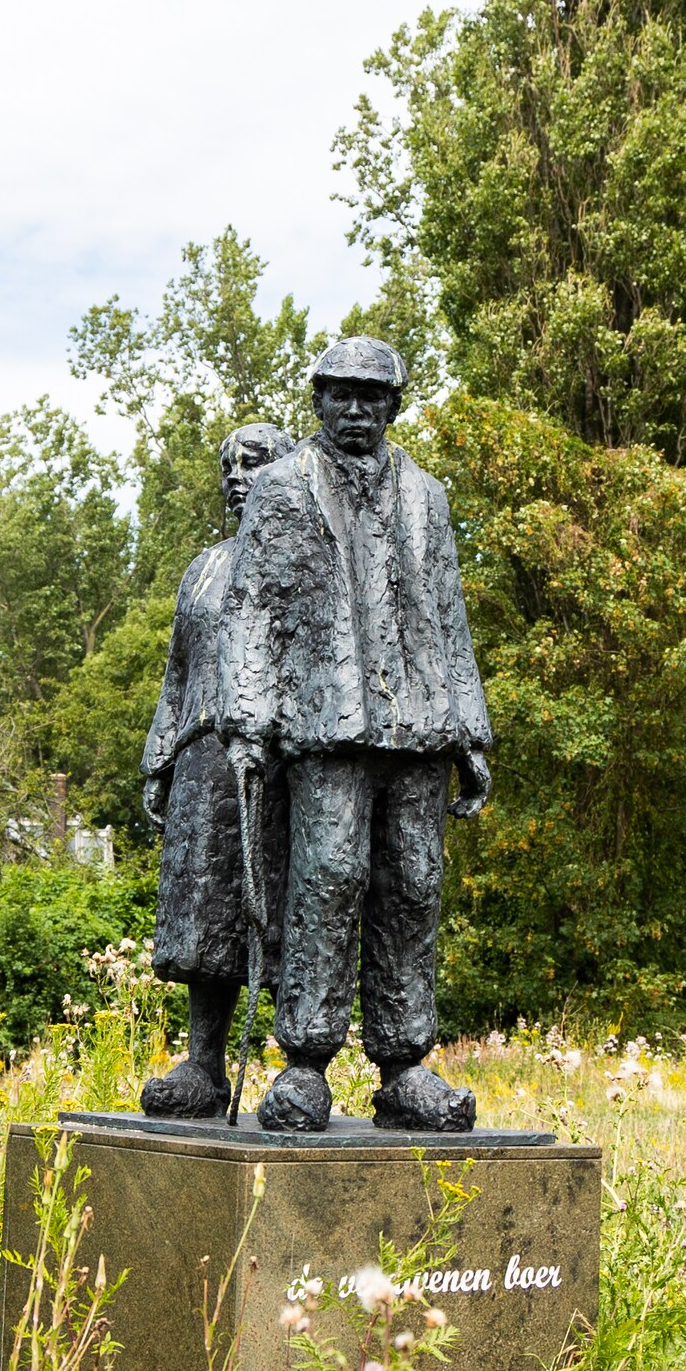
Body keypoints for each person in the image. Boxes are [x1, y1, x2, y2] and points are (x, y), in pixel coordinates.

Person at [216, 336, 492, 1133]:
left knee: (412, 889)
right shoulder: (278, 488)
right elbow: (252, 611)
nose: (356, 409)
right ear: (318, 399)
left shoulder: (427, 496)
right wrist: (246, 718)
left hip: (419, 726)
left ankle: (405, 1066)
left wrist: (470, 734)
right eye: (341, 394)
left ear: (394, 404)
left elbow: (449, 616)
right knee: (326, 881)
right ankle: (305, 1064)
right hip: (324, 723)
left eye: (373, 397)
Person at [138, 422, 295, 1117]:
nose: (236, 476)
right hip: (203, 756)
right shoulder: (204, 565)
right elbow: (177, 671)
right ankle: (204, 1065)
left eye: (253, 463)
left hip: (282, 759)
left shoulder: (306, 559)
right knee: (204, 915)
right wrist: (160, 757)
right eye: (228, 465)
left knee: (285, 909)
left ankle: (299, 1070)